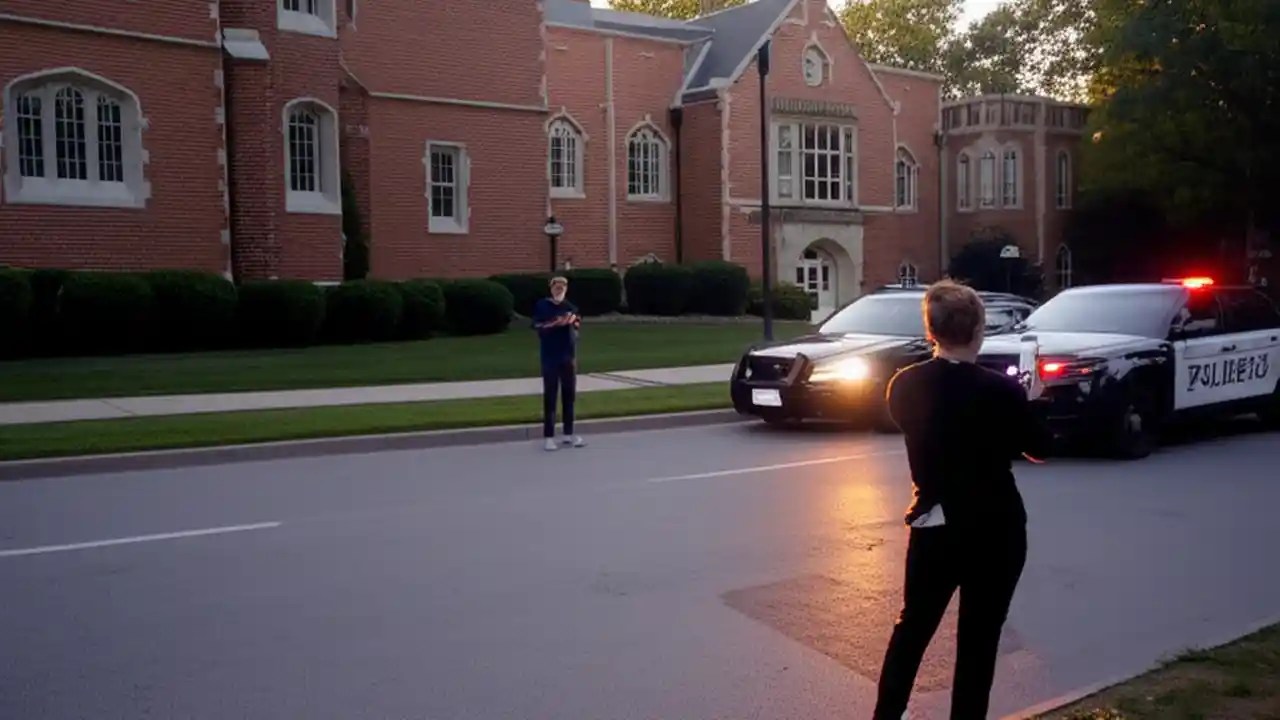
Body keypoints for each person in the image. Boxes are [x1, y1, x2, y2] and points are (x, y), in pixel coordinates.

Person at [873, 280, 1052, 720]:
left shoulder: (904, 385)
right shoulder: (1001, 392)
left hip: (936, 526)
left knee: (911, 630)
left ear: (931, 331)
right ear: (979, 330)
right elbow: (1038, 448)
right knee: (978, 640)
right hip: (996, 528)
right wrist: (1032, 402)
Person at [532, 276, 585, 451]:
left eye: (563, 286)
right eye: (556, 286)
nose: (559, 288)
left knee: (569, 396)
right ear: (551, 288)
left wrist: (572, 321)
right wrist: (557, 322)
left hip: (568, 356)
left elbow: (577, 325)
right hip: (550, 357)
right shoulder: (543, 306)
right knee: (551, 396)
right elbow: (538, 326)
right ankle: (548, 437)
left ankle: (568, 434)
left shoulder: (570, 307)